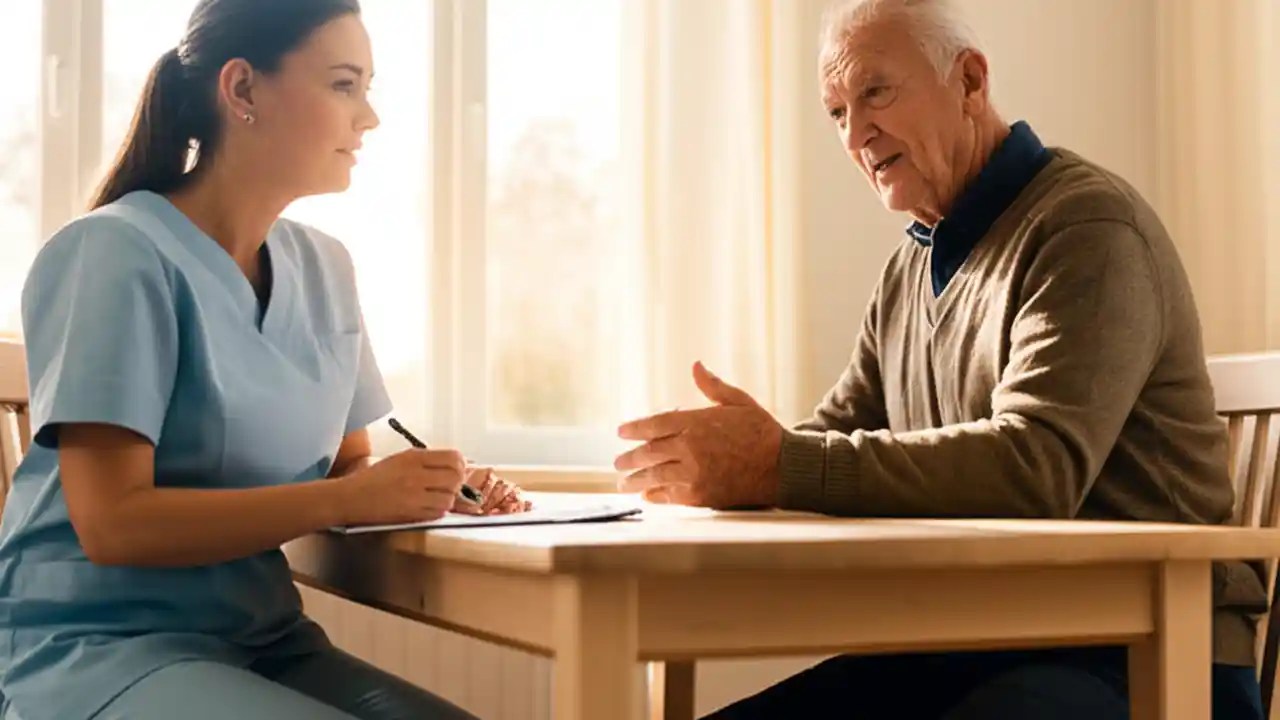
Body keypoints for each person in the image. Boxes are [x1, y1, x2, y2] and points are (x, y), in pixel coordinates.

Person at [613, 0, 1266, 717]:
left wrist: (775, 463)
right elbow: (829, 439)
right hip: (982, 644)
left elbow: (1035, 466)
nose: (855, 134)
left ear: (971, 82)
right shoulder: (909, 268)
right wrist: (725, 464)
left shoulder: (1087, 227)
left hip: (1152, 662)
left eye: (875, 92)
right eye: (836, 113)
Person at [0, 1, 526, 718]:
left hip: (265, 643)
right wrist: (349, 499)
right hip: (99, 650)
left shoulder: (326, 269)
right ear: (243, 88)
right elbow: (112, 523)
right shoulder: (114, 253)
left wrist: (430, 489)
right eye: (343, 85)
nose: (368, 117)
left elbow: (347, 467)